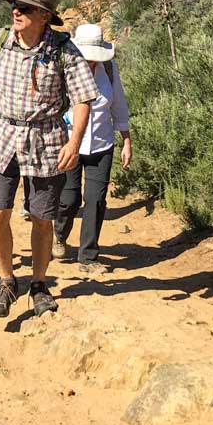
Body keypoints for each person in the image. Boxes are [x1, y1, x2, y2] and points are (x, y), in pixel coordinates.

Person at [0, 0, 98, 318]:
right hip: (0, 135)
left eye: (26, 8)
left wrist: (74, 142)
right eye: (15, 6)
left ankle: (38, 283)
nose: (16, 11)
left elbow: (82, 99)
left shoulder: (64, 50)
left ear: (45, 16)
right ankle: (6, 280)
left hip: (46, 139)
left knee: (42, 218)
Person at [53, 23, 132, 273]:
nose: (90, 62)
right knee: (69, 198)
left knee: (96, 200)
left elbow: (118, 104)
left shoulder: (108, 68)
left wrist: (127, 140)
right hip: (68, 144)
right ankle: (59, 233)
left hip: (101, 143)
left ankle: (88, 256)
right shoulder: (63, 69)